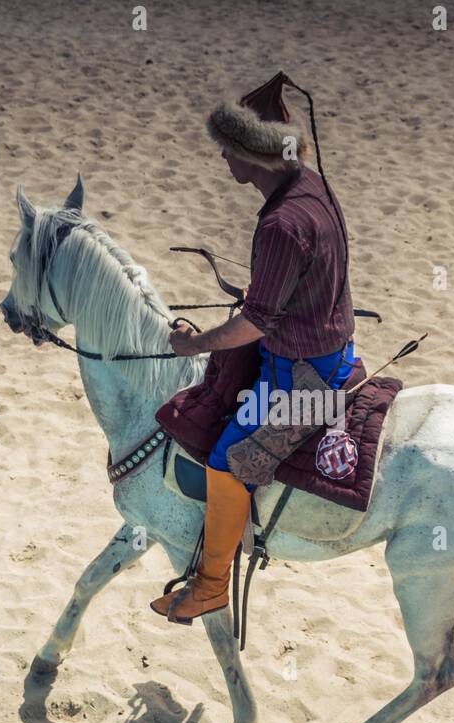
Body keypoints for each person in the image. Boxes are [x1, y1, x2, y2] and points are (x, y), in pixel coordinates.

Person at [150, 72, 355, 625]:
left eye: (228, 150)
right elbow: (294, 287)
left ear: (254, 156)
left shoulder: (281, 224)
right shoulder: (313, 186)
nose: (223, 161)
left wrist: (196, 342)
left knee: (229, 458)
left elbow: (258, 323)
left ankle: (211, 585)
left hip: (300, 376)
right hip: (333, 343)